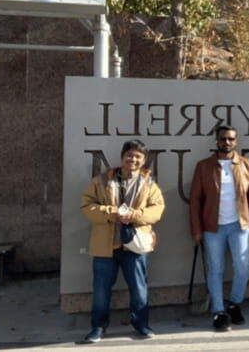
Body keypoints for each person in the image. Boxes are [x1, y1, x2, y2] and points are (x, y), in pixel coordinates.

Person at [80, 139, 165, 344]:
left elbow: (157, 210)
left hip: (135, 245)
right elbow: (87, 206)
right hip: (105, 246)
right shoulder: (100, 181)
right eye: (130, 155)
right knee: (100, 290)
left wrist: (135, 215)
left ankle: (142, 325)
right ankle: (98, 327)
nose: (133, 160)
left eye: (138, 157)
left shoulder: (149, 184)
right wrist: (111, 213)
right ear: (122, 156)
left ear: (144, 160)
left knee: (139, 288)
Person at [189, 126, 249, 332]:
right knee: (215, 268)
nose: (226, 143)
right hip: (213, 226)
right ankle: (219, 311)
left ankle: (234, 303)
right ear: (216, 141)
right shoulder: (204, 166)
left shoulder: (246, 164)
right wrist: (196, 229)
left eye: (230, 139)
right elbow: (195, 200)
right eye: (222, 139)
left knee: (242, 266)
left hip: (240, 225)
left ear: (236, 141)